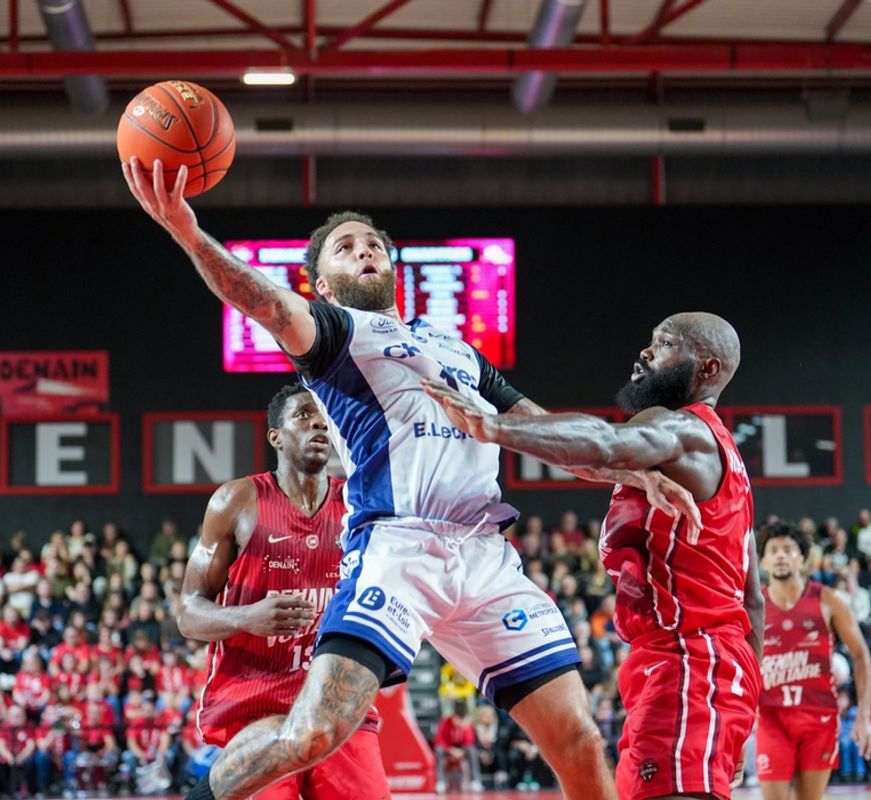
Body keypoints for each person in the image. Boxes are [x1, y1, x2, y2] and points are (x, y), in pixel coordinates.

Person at [125, 159, 692, 800]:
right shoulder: (337, 333)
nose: (365, 249)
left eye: (373, 244)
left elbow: (543, 430)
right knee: (312, 735)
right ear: (323, 283)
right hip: (398, 548)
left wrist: (631, 471)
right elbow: (261, 299)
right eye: (346, 247)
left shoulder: (457, 349)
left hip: (483, 556)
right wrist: (187, 232)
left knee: (581, 741)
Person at [423, 311, 766, 800]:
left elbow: (603, 445)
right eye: (650, 340)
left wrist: (492, 427)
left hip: (691, 658)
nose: (647, 352)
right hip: (692, 663)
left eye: (666, 343)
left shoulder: (683, 429)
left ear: (707, 369)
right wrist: (742, 708)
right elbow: (752, 599)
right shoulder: (719, 459)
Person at [178, 385, 390, 800]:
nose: (318, 423)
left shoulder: (358, 503)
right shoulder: (236, 500)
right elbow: (188, 613)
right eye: (303, 416)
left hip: (336, 700)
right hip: (257, 706)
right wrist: (247, 617)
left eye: (324, 417)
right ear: (275, 436)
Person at [755, 521, 871, 800]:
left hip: (818, 718)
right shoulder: (755, 606)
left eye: (788, 549)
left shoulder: (827, 600)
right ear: (763, 560)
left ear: (802, 558)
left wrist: (864, 716)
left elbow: (861, 655)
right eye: (774, 550)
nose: (781, 555)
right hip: (772, 717)